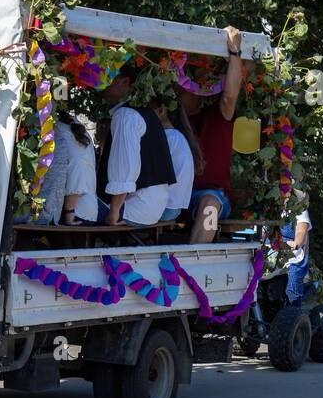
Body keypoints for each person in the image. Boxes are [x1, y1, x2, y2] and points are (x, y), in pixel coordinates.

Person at [183, 25, 246, 243]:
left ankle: (191, 266)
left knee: (209, 205)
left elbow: (230, 96)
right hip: (173, 198)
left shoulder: (218, 116)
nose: (182, 89)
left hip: (212, 197)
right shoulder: (167, 118)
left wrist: (235, 52)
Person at [100, 66, 175, 227]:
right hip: (151, 208)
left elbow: (125, 168)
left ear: (125, 81)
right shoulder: (145, 112)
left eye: (107, 77)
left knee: (75, 209)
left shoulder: (126, 115)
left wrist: (114, 213)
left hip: (132, 208)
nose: (100, 84)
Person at [35, 111, 98, 225]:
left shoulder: (59, 134)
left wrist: (69, 212)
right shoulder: (77, 128)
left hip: (75, 211)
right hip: (88, 208)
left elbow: (77, 172)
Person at [156, 97, 202, 222]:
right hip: (173, 208)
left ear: (161, 111)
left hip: (164, 208)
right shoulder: (177, 137)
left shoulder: (167, 138)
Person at [282, 190, 314, 306]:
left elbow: (301, 230)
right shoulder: (268, 210)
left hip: (292, 256)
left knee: (292, 286)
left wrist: (296, 243)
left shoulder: (299, 210)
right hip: (268, 254)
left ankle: (294, 313)